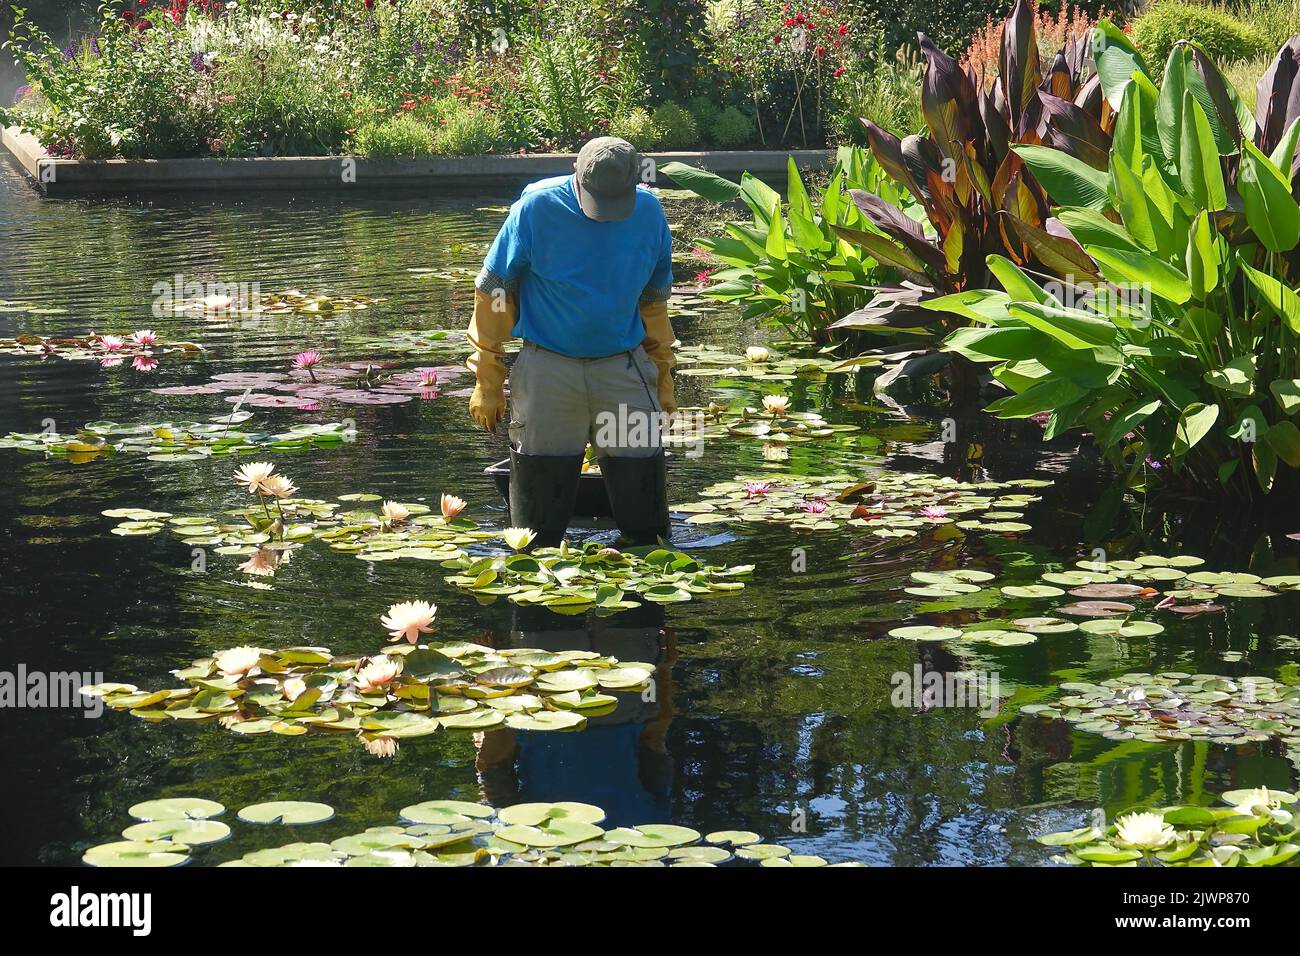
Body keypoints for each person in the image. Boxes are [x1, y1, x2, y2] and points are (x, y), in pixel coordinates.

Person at [466, 137, 677, 547]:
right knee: (535, 535)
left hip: (623, 370)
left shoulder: (650, 214)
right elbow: (494, 293)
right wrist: (487, 378)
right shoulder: (536, 209)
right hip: (548, 370)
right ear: (575, 176)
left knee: (647, 528)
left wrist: (663, 378)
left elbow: (653, 304)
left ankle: (643, 575)